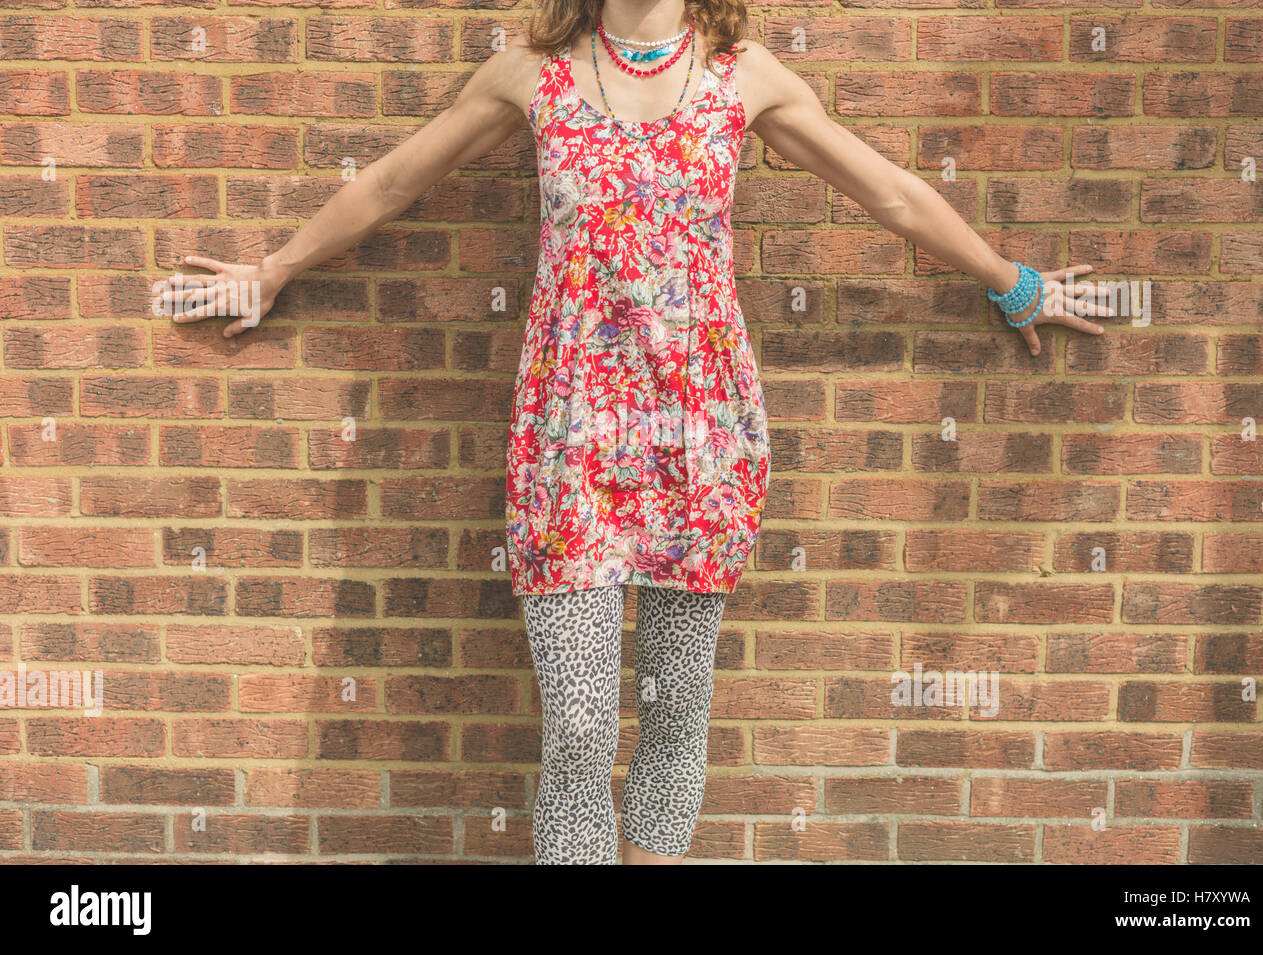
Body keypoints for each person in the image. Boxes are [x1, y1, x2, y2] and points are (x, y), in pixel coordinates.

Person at [162, 0, 1111, 865]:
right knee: (577, 728)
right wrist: (274, 267)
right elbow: (393, 182)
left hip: (703, 436)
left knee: (674, 714)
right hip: (567, 440)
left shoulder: (747, 76)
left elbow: (891, 193)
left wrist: (1011, 280)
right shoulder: (532, 74)